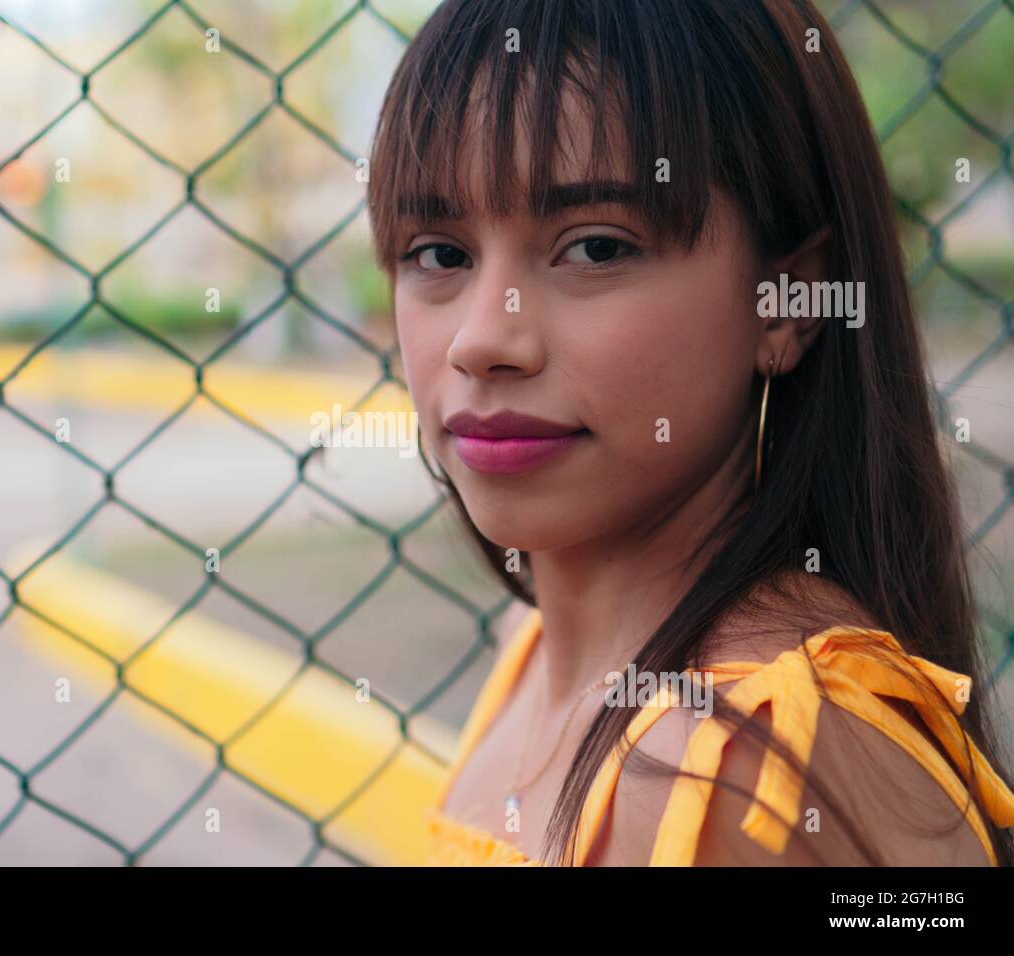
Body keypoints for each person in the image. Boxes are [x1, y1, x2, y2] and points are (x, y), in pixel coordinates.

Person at [365, 0, 1014, 866]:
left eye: (596, 248)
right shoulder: (538, 656)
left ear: (785, 302)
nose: (483, 339)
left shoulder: (748, 760)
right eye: (439, 254)